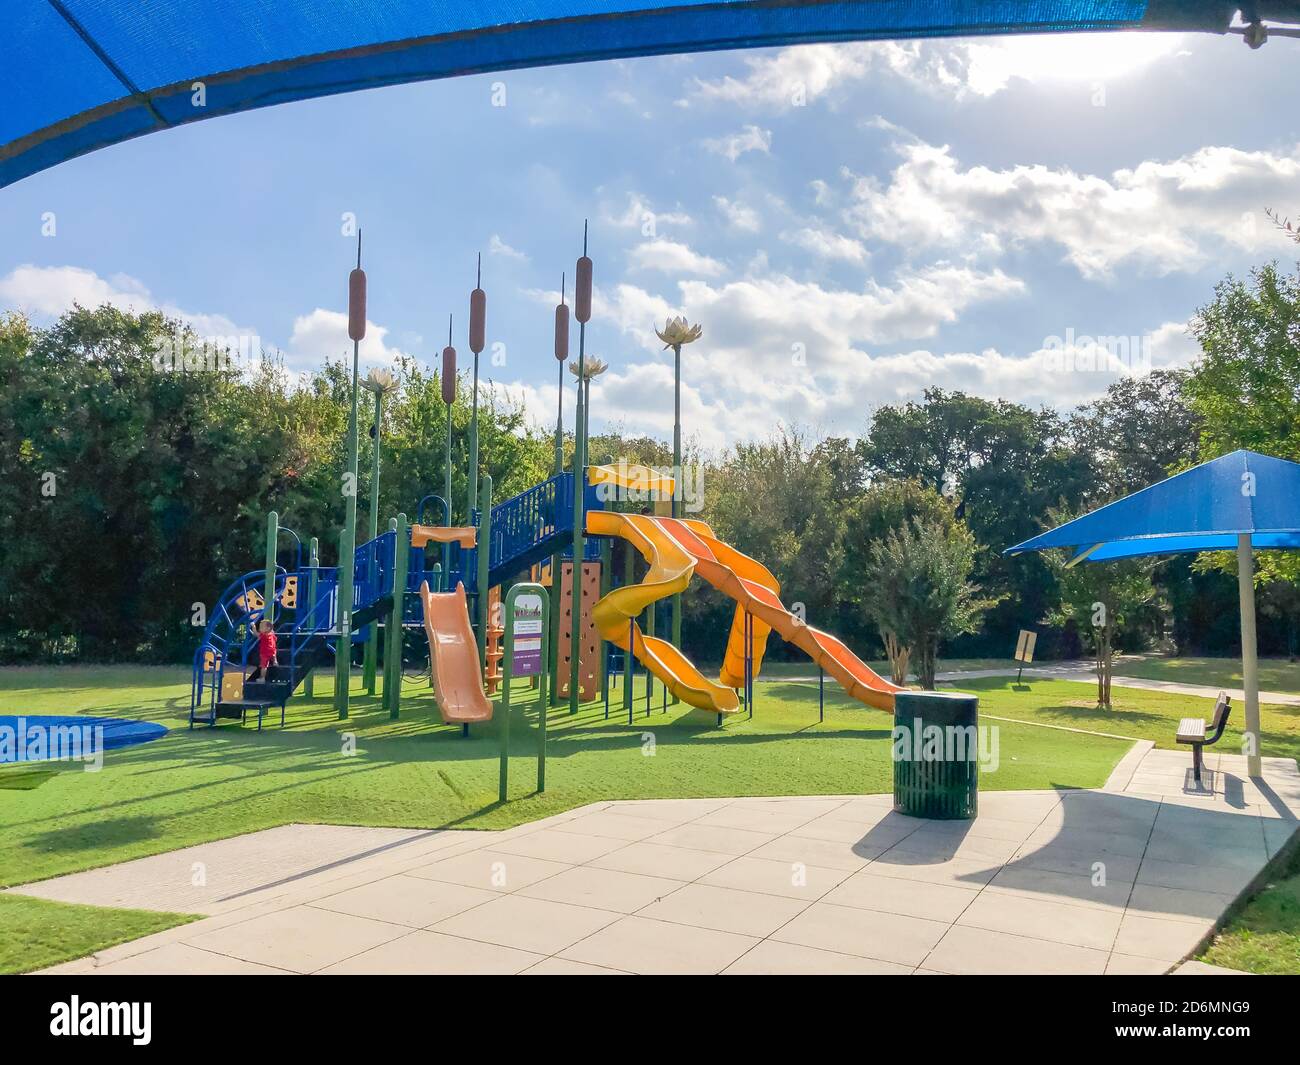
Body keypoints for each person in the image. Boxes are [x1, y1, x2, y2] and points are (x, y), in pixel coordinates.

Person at [247, 618, 278, 682]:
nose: (260, 628)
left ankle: (262, 678)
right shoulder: (271, 634)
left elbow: (255, 634)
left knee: (264, 666)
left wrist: (253, 626)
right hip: (272, 650)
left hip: (265, 652)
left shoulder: (264, 635)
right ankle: (275, 661)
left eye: (261, 627)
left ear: (267, 629)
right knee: (273, 654)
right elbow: (275, 639)